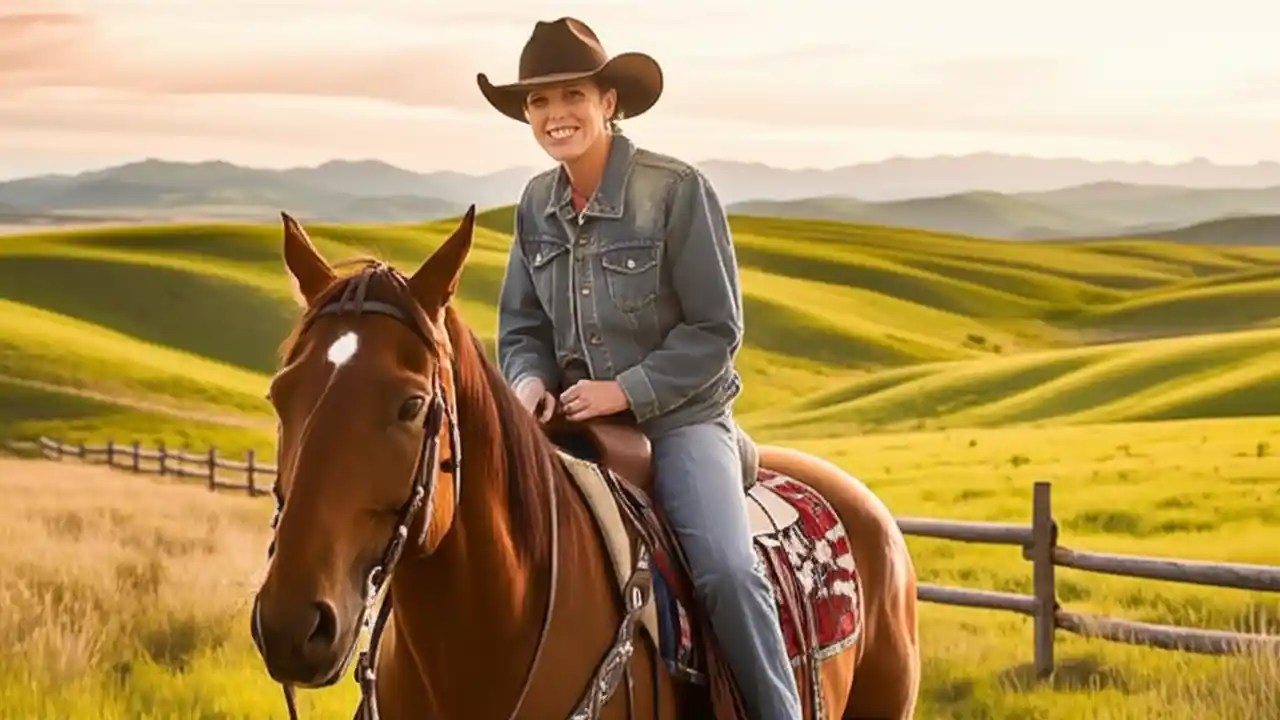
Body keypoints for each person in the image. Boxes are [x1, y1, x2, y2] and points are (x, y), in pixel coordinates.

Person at [478, 17, 802, 720]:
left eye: (571, 95)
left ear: (609, 103)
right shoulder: (535, 204)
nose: (555, 114)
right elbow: (521, 328)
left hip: (680, 421)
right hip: (567, 423)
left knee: (724, 572)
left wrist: (624, 390)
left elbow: (717, 330)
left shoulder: (676, 190)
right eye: (538, 102)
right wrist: (529, 385)